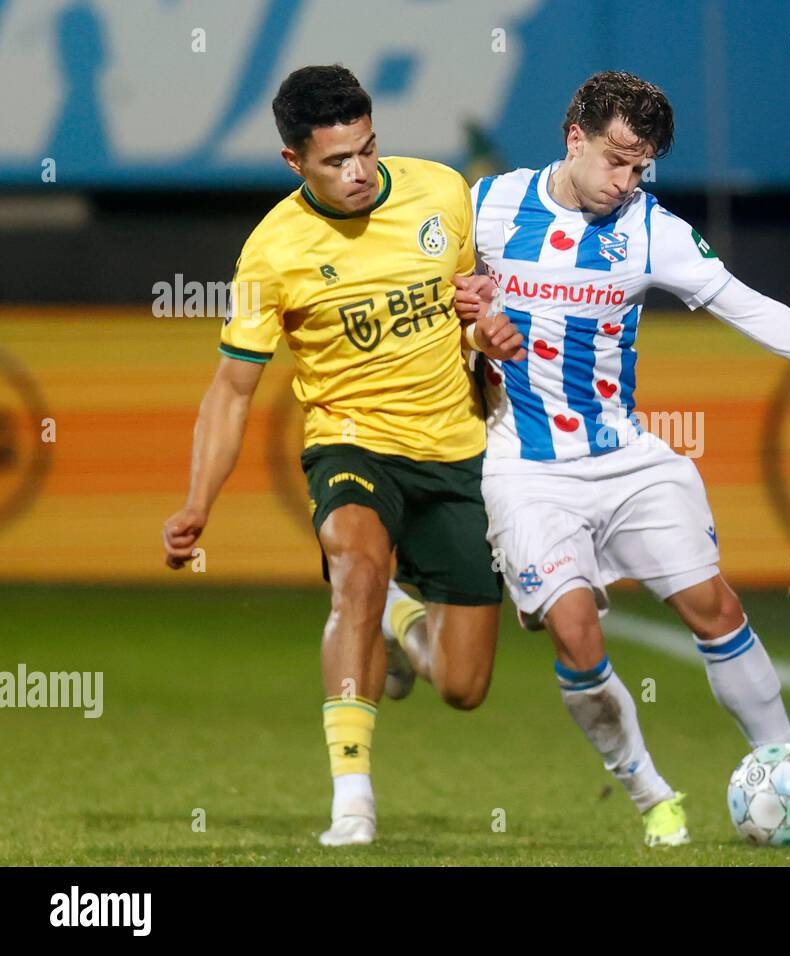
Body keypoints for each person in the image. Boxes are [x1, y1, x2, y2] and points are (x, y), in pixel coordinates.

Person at [453, 70, 790, 846]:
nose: (626, 181)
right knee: (575, 630)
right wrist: (473, 331)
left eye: (641, 167)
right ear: (575, 138)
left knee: (717, 610)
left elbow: (747, 303)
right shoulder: (488, 206)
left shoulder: (649, 229)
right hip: (527, 467)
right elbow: (435, 300)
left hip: (627, 459)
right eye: (616, 160)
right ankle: (650, 793)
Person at [161, 64, 522, 847]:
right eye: (336, 160)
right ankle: (353, 800)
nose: (359, 173)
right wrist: (198, 504)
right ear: (295, 162)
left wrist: (486, 327)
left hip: (456, 452)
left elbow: (470, 308)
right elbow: (230, 391)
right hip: (351, 441)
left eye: (366, 150)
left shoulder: (441, 193)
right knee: (355, 571)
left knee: (463, 687)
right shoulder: (273, 252)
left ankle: (399, 619)